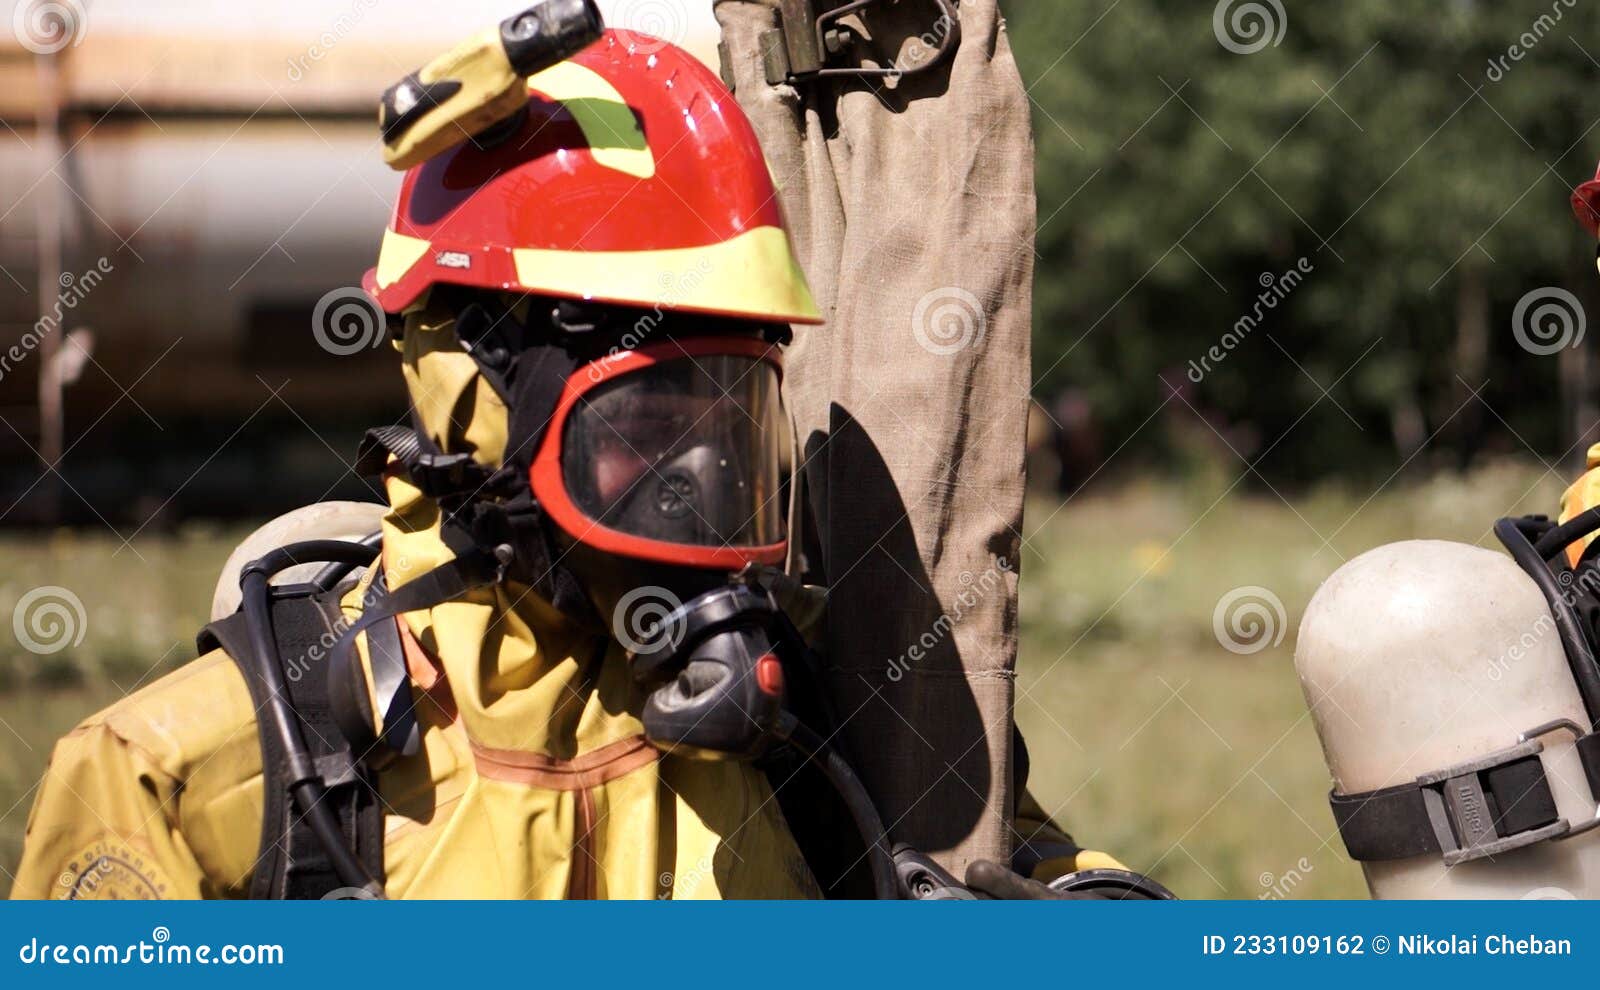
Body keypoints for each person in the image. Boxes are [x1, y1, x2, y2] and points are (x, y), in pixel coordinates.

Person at [13, 16, 1121, 901]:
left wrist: (1098, 909)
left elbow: (1024, 860)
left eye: (726, 422)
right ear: (473, 399)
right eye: (643, 423)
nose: (699, 479)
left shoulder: (812, 712)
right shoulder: (167, 779)